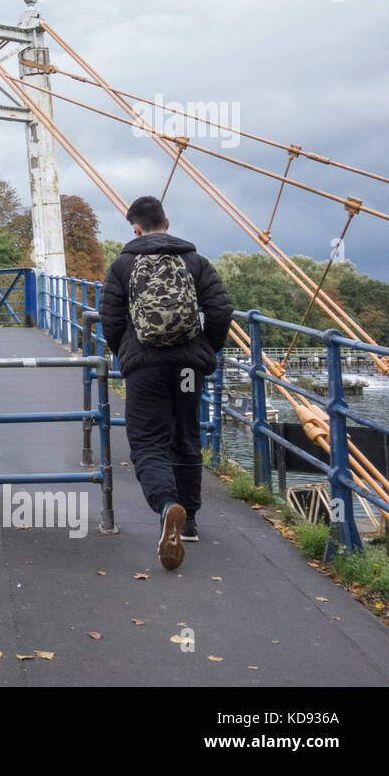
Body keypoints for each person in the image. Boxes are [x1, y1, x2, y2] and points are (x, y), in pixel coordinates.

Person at [99, 196, 233, 570]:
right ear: (167, 222)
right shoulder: (195, 261)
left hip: (146, 369)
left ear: (136, 229)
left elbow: (111, 319)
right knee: (186, 435)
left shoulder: (122, 265)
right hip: (188, 369)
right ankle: (188, 521)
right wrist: (205, 350)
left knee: (147, 441)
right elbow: (221, 310)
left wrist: (127, 354)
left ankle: (165, 504)